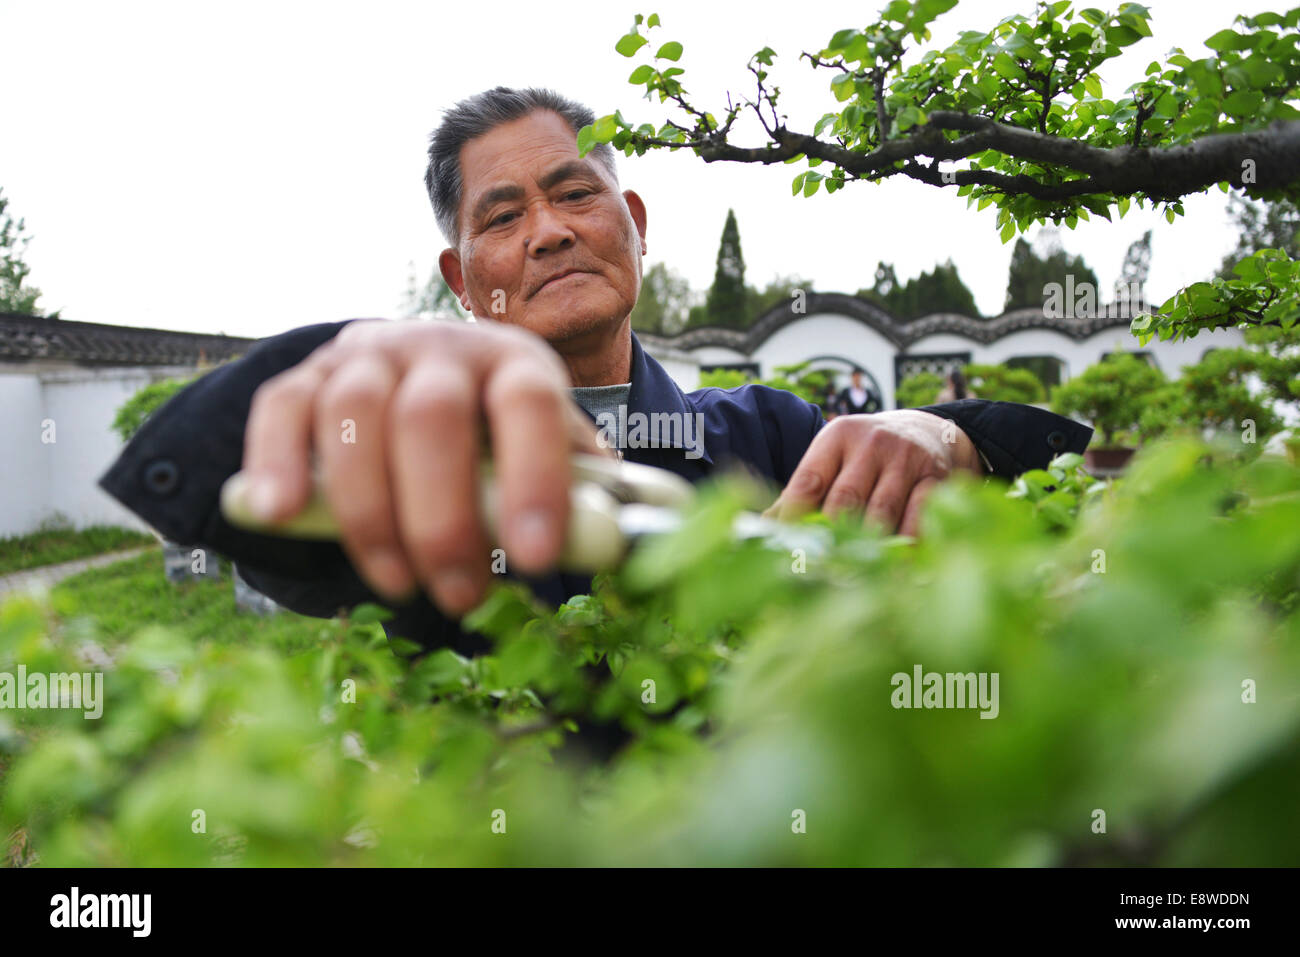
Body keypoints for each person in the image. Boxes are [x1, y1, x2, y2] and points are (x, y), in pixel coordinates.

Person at [99, 86, 1092, 658]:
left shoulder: (774, 435)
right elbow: (242, 505)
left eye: (575, 193)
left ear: (637, 227)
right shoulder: (435, 467)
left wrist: (944, 434)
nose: (549, 233)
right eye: (501, 216)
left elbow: (1052, 480)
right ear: (461, 280)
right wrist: (344, 373)